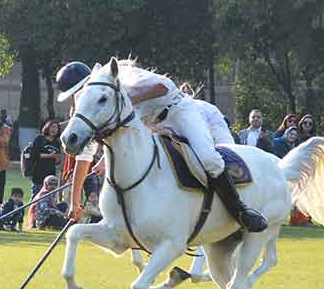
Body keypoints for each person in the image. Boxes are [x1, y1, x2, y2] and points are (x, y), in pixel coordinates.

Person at [55, 59, 266, 231]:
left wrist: (126, 101)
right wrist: (75, 201)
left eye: (81, 89)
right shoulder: (95, 105)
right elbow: (85, 156)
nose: (81, 95)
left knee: (208, 159)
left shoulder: (124, 77)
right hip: (154, 126)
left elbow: (163, 87)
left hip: (178, 111)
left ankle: (240, 211)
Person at [22, 119, 63, 190]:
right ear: (47, 128)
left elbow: (57, 161)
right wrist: (51, 156)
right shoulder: (40, 138)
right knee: (37, 196)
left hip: (50, 173)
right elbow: (34, 155)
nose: (54, 129)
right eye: (52, 127)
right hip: (39, 173)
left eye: (56, 128)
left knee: (49, 196)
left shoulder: (56, 142)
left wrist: (57, 159)